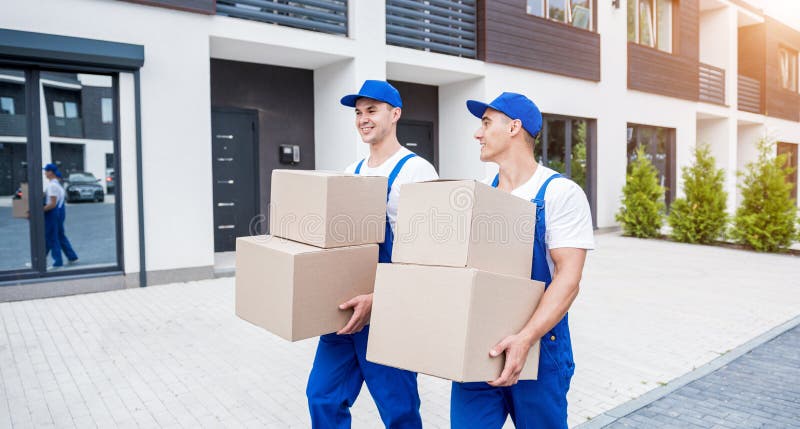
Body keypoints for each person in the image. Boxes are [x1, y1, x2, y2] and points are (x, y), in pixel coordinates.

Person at [450, 92, 594, 428]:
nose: (478, 133)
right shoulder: (479, 194)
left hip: (540, 351)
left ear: (514, 127)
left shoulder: (560, 193)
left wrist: (525, 338)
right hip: (480, 350)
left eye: (486, 123)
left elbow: (568, 280)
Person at [305, 80, 438, 428]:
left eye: (372, 110)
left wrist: (379, 299)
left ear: (395, 114)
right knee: (322, 396)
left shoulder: (417, 172)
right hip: (346, 311)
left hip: (390, 310)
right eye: (358, 112)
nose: (363, 119)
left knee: (399, 410)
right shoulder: (352, 172)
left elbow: (427, 257)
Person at [43, 163, 78, 268]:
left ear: (50, 172)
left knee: (52, 237)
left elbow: (52, 204)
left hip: (52, 214)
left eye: (46, 171)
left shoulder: (52, 186)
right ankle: (72, 257)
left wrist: (39, 210)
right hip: (59, 213)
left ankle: (57, 262)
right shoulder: (56, 184)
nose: (44, 173)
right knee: (59, 236)